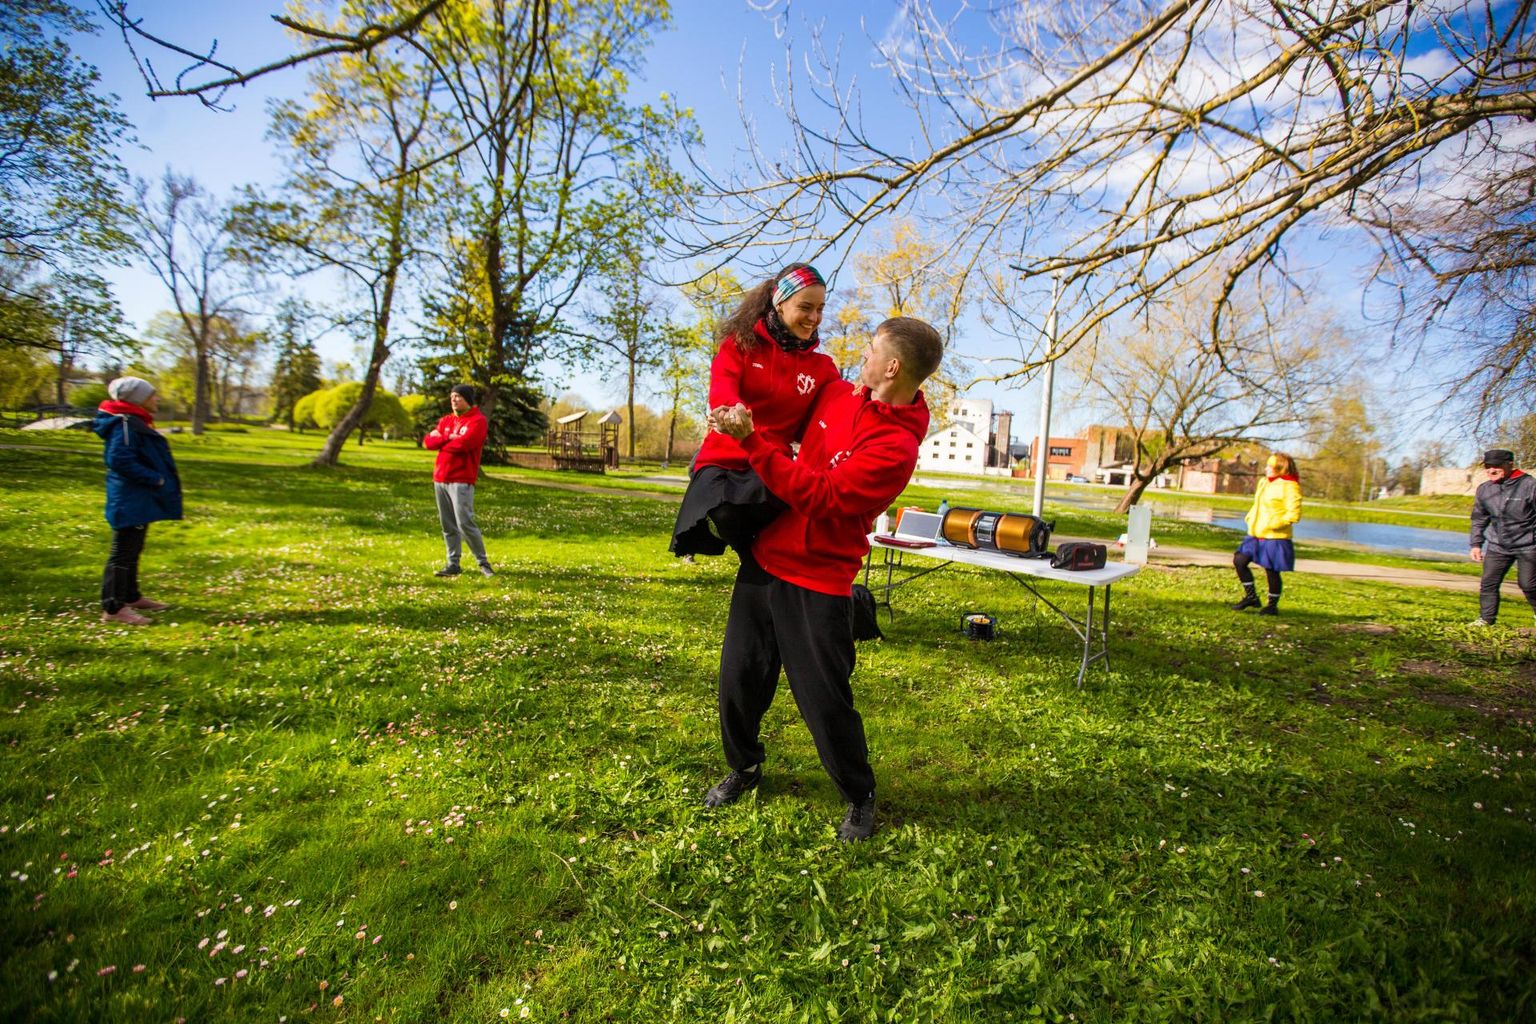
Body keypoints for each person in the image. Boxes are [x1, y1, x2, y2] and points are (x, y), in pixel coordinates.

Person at [701, 316, 944, 842]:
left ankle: (859, 795)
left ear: (893, 366)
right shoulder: (835, 392)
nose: (863, 354)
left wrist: (753, 446)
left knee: (824, 701)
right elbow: (779, 388)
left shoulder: (895, 448)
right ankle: (744, 767)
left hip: (819, 579)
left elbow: (822, 497)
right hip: (764, 560)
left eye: (873, 348)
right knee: (738, 682)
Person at [669, 263, 840, 559]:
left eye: (820, 309)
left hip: (771, 464)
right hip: (723, 456)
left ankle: (761, 569)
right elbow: (723, 384)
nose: (814, 318)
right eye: (806, 307)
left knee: (766, 543)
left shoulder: (823, 369)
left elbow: (830, 416)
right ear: (780, 302)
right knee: (723, 512)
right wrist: (728, 411)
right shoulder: (741, 345)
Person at [92, 376, 182, 625]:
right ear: (138, 398)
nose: (157, 398)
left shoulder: (134, 421)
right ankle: (113, 608)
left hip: (137, 497)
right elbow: (118, 459)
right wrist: (154, 479)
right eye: (152, 395)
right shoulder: (124, 424)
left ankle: (131, 596)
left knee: (133, 548)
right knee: (122, 552)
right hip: (130, 497)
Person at [423, 384, 494, 578]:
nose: (454, 399)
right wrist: (448, 436)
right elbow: (428, 442)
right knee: (448, 525)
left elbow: (465, 444)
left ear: (468, 400)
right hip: (440, 478)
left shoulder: (478, 421)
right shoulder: (446, 420)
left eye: (459, 397)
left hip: (461, 479)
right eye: (452, 396)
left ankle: (483, 563)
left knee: (465, 523)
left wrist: (442, 440)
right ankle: (453, 564)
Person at [1469, 448, 1536, 626]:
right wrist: (1476, 544)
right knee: (1489, 583)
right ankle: (1486, 620)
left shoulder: (1529, 485)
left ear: (1510, 465)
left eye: (1496, 467)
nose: (1491, 470)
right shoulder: (1485, 489)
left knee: (1528, 584)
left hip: (1528, 545)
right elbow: (1479, 518)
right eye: (1488, 467)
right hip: (1498, 545)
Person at [1230, 452, 1302, 616]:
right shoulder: (1265, 482)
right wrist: (1249, 516)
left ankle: (1271, 606)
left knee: (1271, 570)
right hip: (1255, 532)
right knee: (1239, 560)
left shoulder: (1290, 486)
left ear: (1280, 468)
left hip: (1274, 536)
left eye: (1270, 466)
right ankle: (1251, 597)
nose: (1266, 469)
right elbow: (1259, 505)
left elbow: (1294, 514)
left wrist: (1275, 524)